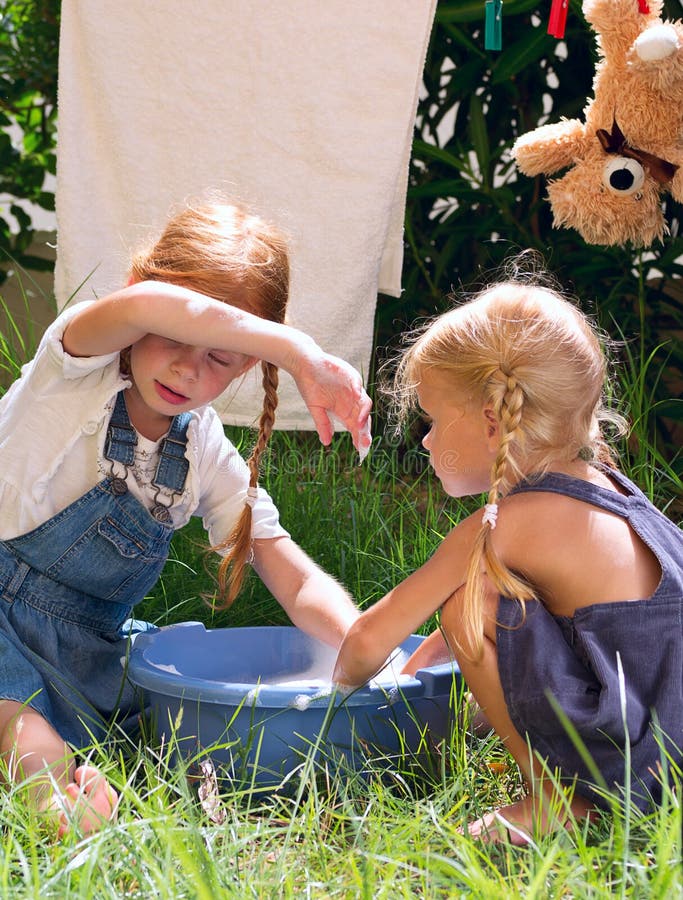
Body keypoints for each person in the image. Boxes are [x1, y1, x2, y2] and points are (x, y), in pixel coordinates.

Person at [0, 200, 371, 838]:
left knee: (182, 702)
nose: (188, 368)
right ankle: (59, 804)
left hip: (87, 645)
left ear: (247, 364)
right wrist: (295, 349)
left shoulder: (202, 450)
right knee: (23, 731)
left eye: (222, 357)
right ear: (136, 298)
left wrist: (365, 646)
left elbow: (292, 574)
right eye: (174, 338)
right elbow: (153, 306)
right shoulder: (73, 369)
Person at [332, 266, 683, 844]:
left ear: (493, 423)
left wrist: (332, 696)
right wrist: (412, 678)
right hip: (671, 742)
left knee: (465, 606)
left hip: (642, 770)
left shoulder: (505, 525)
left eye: (433, 420)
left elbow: (368, 641)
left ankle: (554, 800)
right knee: (483, 598)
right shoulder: (605, 487)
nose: (425, 440)